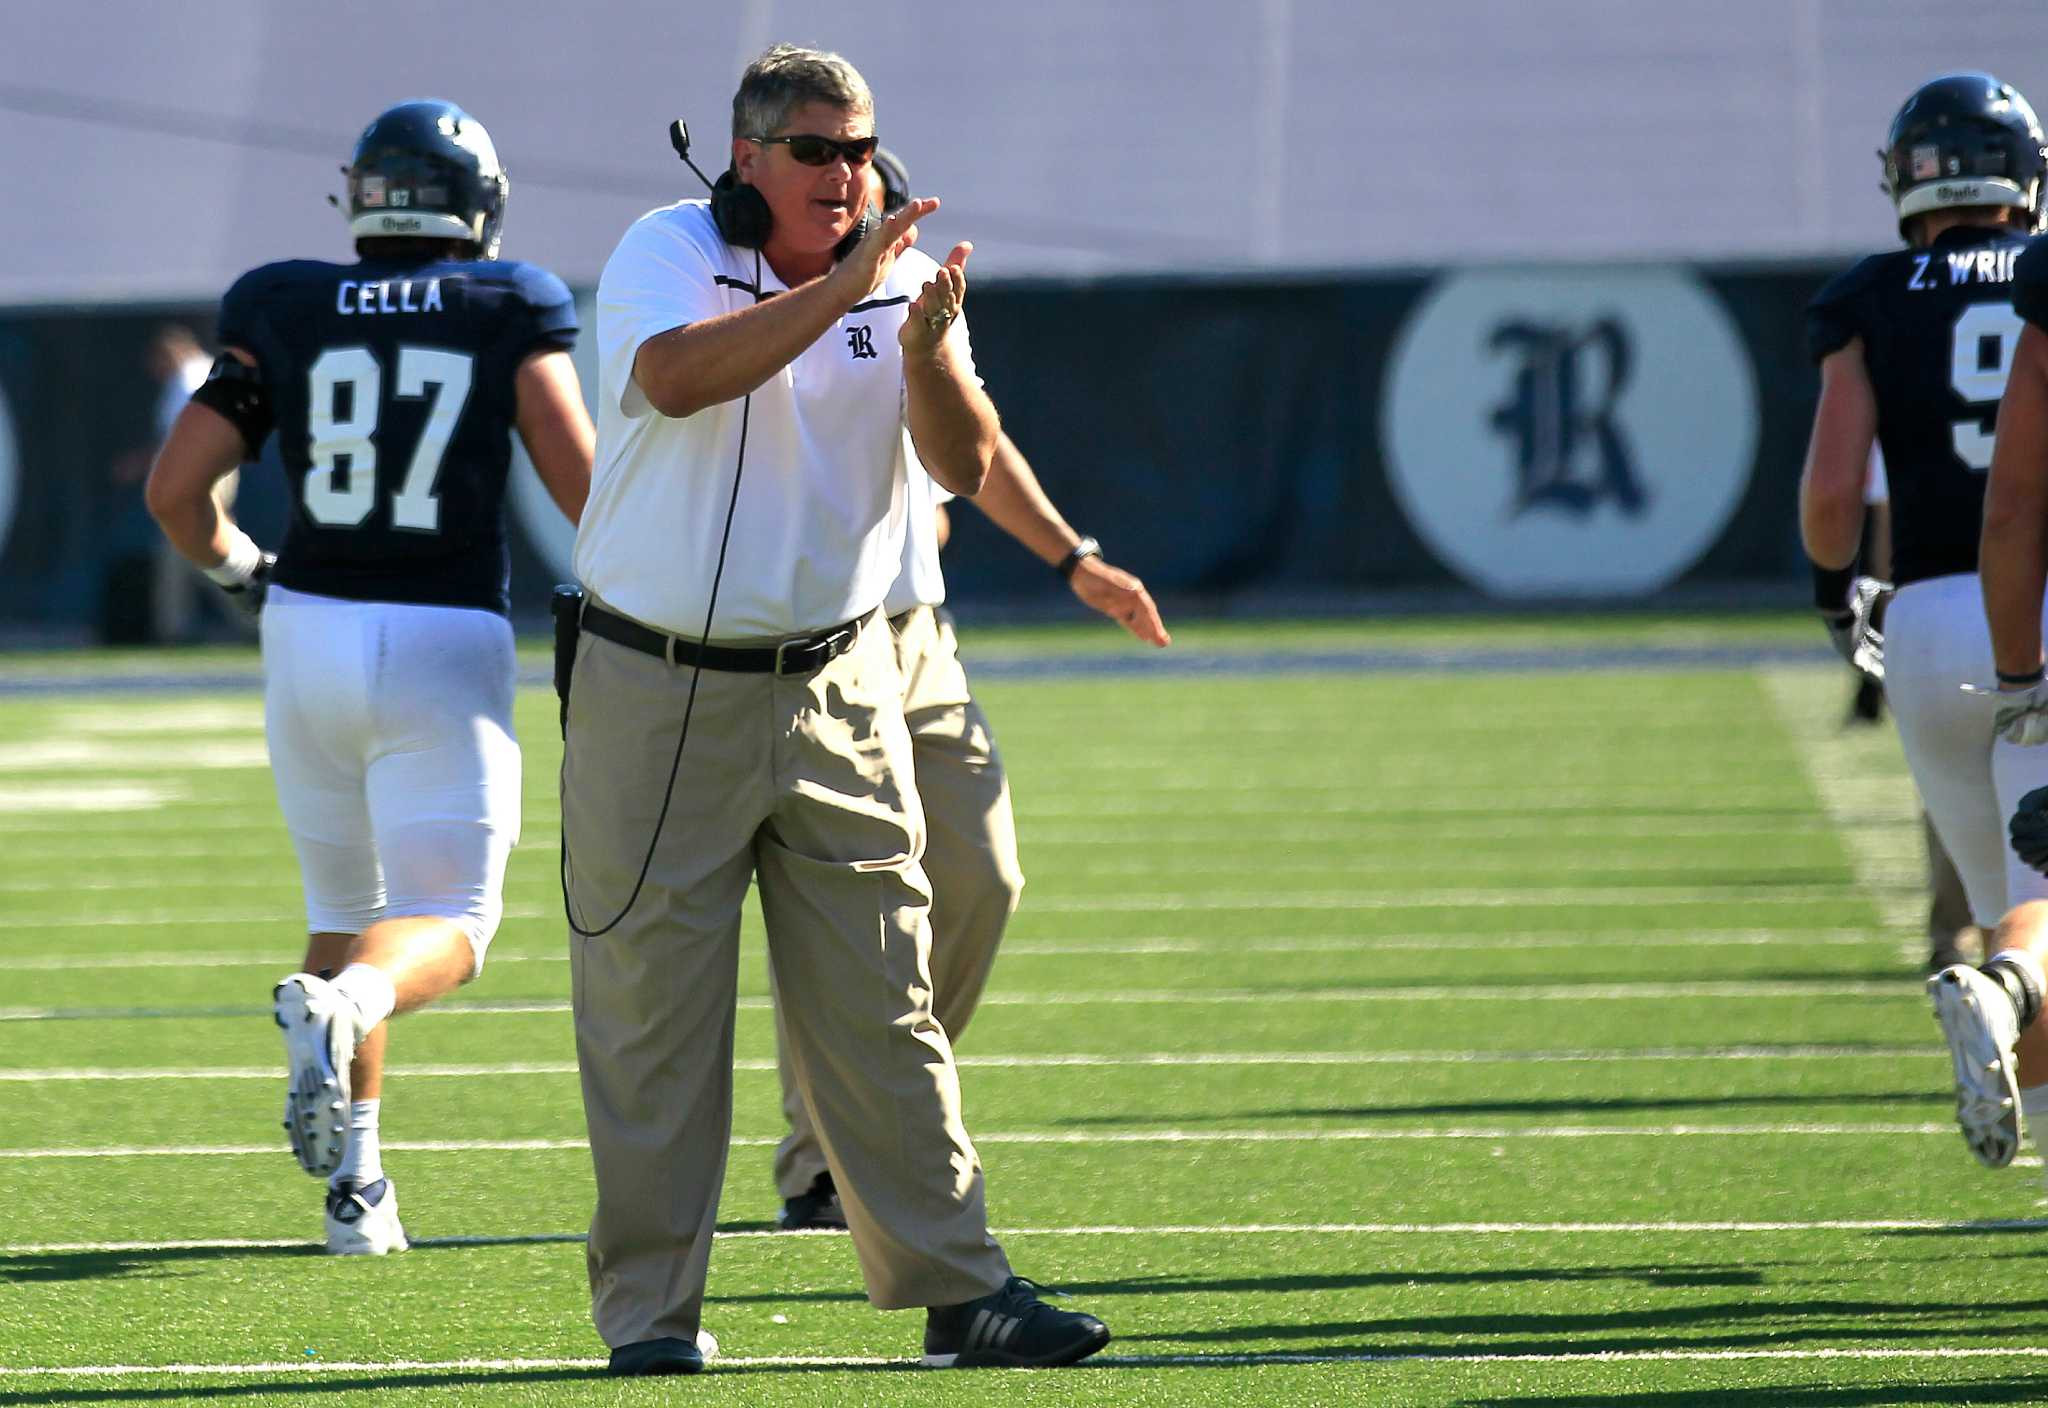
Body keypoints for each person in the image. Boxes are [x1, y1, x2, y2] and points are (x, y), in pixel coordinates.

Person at [561, 45, 1111, 1374]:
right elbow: (681, 379)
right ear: (746, 161)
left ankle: (960, 1288)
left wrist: (925, 352)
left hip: (837, 681)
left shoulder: (904, 276)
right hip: (659, 684)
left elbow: (963, 464)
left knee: (885, 1008)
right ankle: (653, 1317)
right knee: (656, 1025)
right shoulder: (666, 248)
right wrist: (845, 290)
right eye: (816, 151)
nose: (845, 174)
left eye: (858, 150)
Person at [145, 99, 595, 1253]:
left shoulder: (284, 302)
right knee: (446, 920)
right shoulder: (506, 303)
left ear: (366, 193)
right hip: (440, 633)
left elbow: (174, 494)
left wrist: (246, 572)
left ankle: (359, 1189)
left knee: (347, 913)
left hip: (304, 627)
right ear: (477, 202)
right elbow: (580, 486)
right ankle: (350, 1007)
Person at [773, 150, 1169, 1232]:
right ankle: (825, 1153)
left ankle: (861, 1115)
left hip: (917, 633)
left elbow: (972, 455)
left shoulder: (913, 297)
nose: (864, 224)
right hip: (820, 641)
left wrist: (1070, 557)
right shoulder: (761, 300)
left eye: (875, 209)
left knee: (982, 874)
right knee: (857, 907)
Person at [1796, 71, 2048, 1170]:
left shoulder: (1868, 294)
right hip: (2026, 613)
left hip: (1921, 624)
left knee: (2014, 915)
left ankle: (1996, 1001)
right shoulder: (2038, 278)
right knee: (2036, 933)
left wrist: (1831, 593)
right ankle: (1998, 993)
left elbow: (1828, 491)